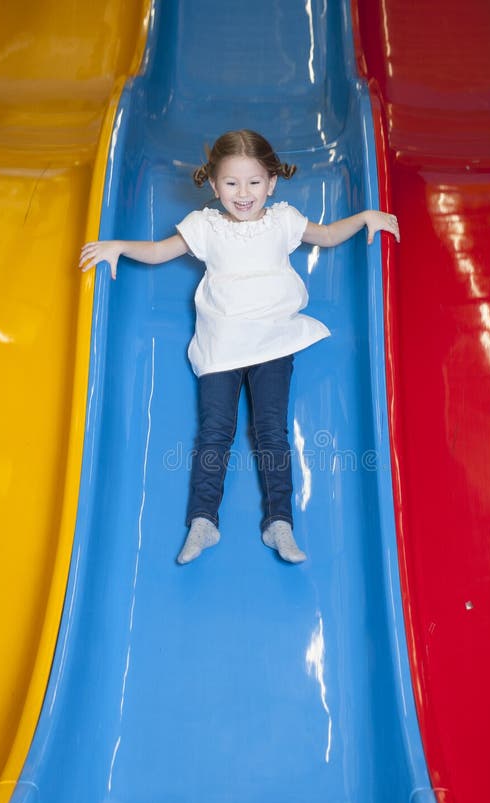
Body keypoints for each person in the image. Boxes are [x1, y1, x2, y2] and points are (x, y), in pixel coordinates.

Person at [79, 129, 399, 565]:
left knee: (272, 432)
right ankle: (203, 521)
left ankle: (279, 523)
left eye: (253, 183)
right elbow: (159, 250)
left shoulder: (282, 219)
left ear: (271, 182)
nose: (243, 194)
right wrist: (118, 247)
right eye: (231, 183)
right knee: (215, 431)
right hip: (222, 346)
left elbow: (324, 235)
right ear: (214, 185)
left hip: (272, 342)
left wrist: (364, 218)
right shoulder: (205, 225)